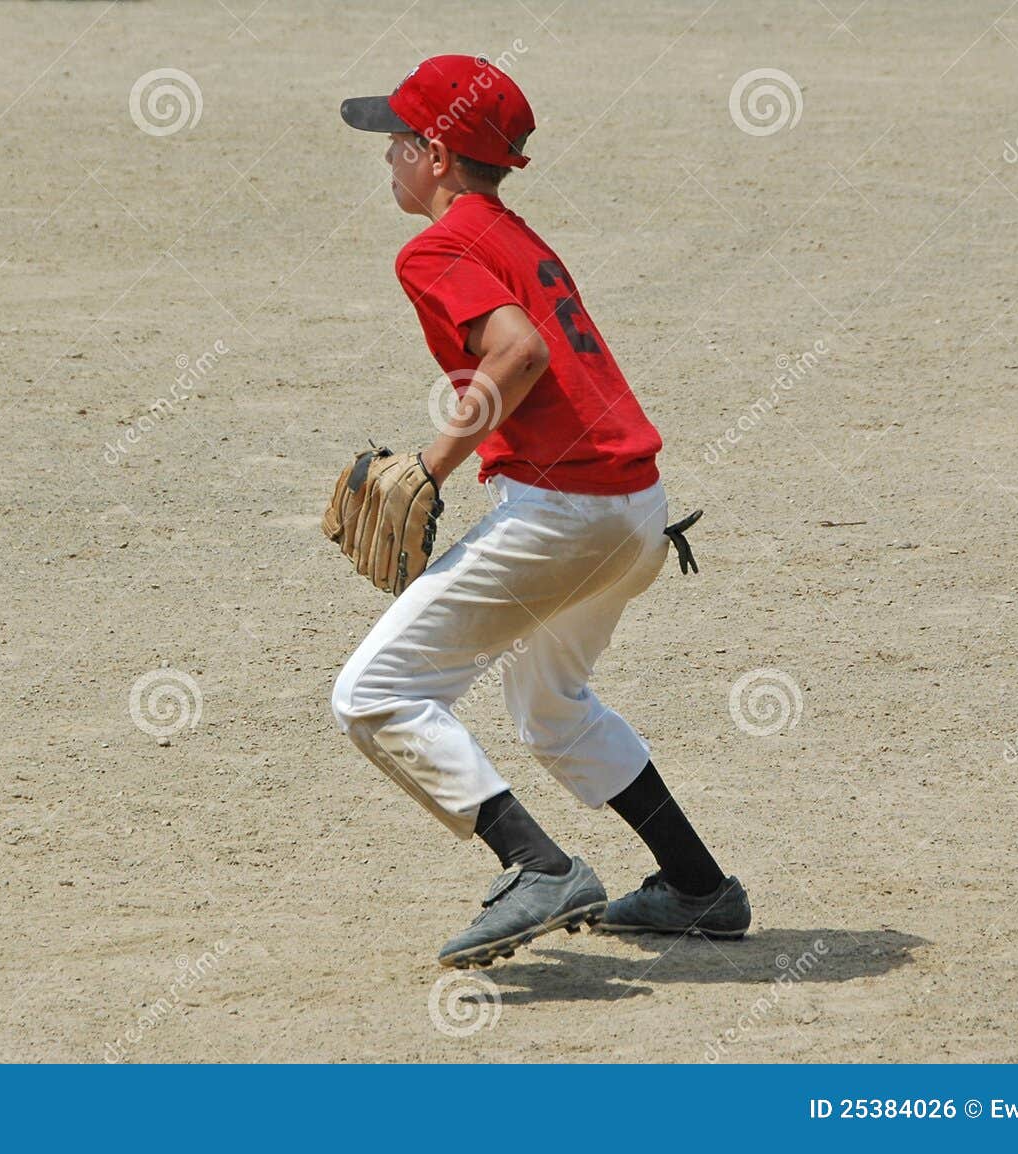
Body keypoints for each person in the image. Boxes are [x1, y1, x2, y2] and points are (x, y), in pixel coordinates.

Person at [330, 54, 750, 968]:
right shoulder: (510, 232)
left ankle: (537, 866)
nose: (388, 156)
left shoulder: (435, 246)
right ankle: (697, 886)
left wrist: (431, 465)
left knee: (374, 694)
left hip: (565, 516)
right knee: (550, 703)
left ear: (438, 155)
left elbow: (516, 353)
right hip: (634, 509)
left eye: (399, 140)